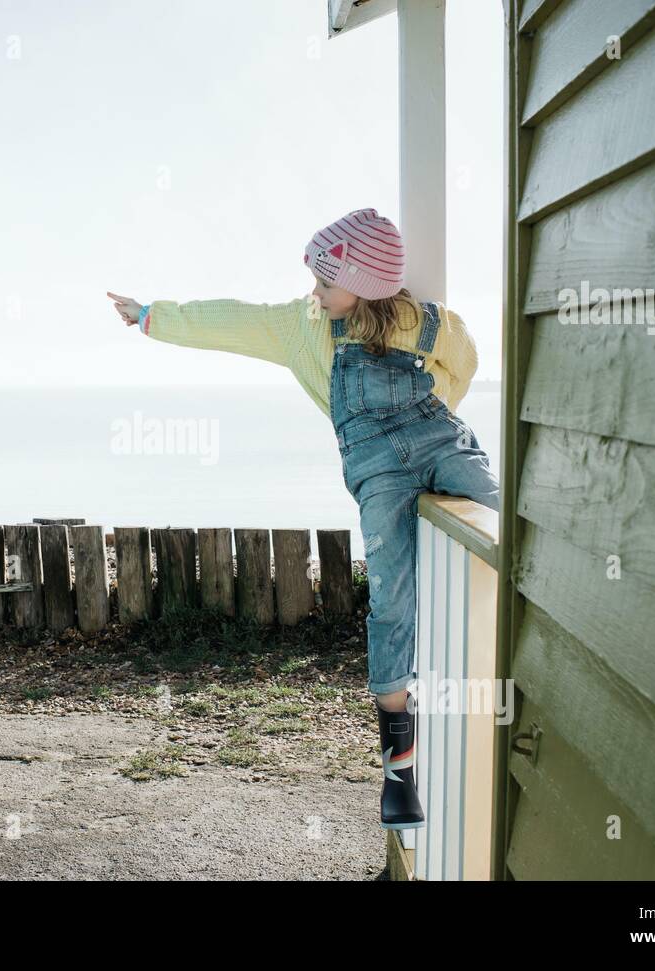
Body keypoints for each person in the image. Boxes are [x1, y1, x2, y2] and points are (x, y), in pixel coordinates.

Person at [107, 207, 499, 829]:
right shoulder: (303, 326)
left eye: (324, 281)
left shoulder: (425, 321)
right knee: (391, 602)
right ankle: (400, 772)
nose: (313, 291)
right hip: (380, 474)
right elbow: (233, 319)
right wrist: (152, 316)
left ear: (368, 283)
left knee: (511, 531)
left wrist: (433, 414)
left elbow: (467, 361)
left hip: (443, 442)